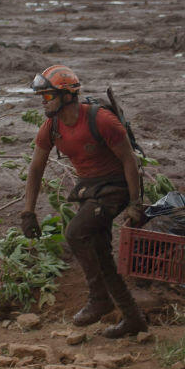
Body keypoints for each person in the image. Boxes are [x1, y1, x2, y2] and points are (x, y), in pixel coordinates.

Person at [20, 65, 149, 338]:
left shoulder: (101, 120)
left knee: (76, 232)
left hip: (116, 186)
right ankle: (133, 318)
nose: (43, 102)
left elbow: (129, 160)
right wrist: (27, 212)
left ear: (66, 96)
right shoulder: (51, 127)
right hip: (90, 189)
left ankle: (99, 298)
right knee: (101, 252)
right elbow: (35, 169)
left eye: (47, 96)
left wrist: (135, 203)